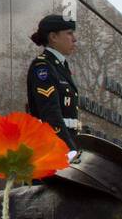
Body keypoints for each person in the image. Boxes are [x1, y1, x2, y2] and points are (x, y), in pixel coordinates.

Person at [25, 14, 81, 151]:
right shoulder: (43, 66)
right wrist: (68, 150)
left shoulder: (60, 67)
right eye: (69, 33)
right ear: (53, 37)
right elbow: (50, 114)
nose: (74, 39)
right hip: (53, 149)